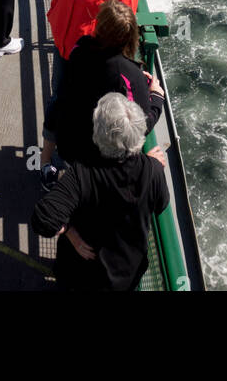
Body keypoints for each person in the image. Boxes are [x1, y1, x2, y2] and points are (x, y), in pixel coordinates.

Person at [31, 92, 169, 291]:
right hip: (124, 277)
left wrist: (70, 232)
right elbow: (160, 204)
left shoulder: (81, 174)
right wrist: (150, 165)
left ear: (98, 133)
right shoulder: (152, 170)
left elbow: (42, 219)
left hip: (79, 270)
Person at [41, 0, 138, 178]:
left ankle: (72, 167)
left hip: (90, 59)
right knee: (58, 100)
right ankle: (47, 159)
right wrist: (54, 14)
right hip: (63, 47)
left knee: (81, 111)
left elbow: (123, 24)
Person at [46, 0, 164, 169]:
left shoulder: (80, 47)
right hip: (97, 162)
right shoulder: (129, 75)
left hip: (68, 144)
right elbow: (139, 127)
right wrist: (156, 97)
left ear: (99, 26)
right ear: (131, 35)